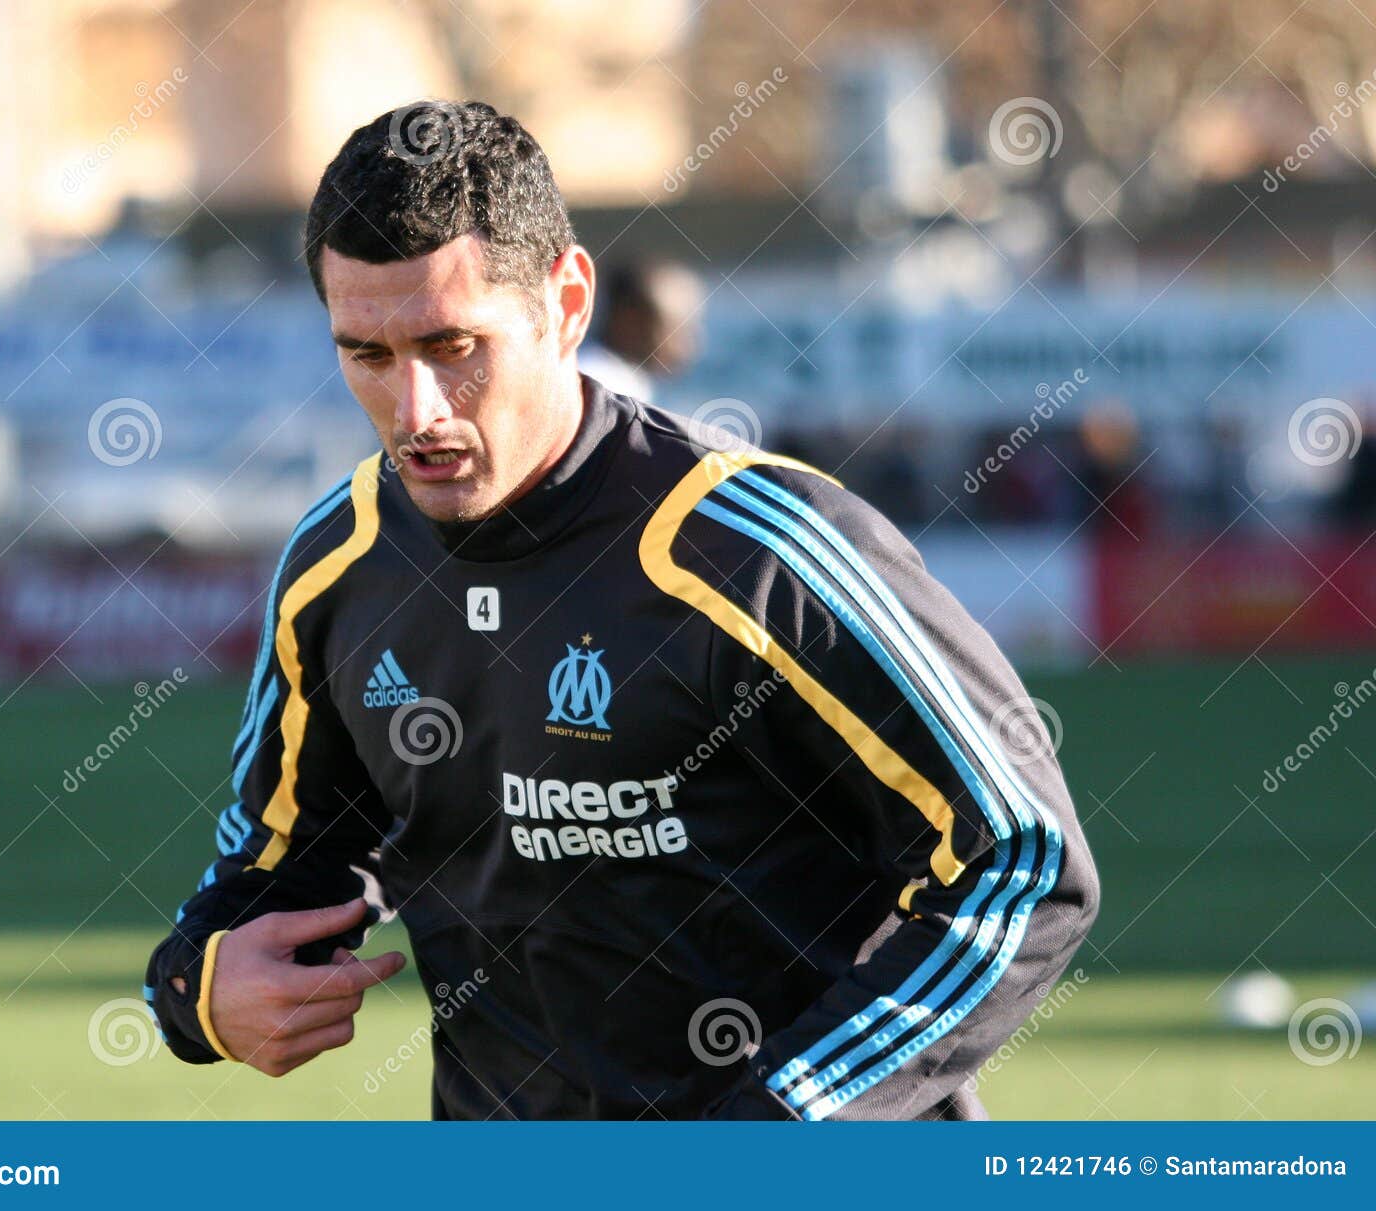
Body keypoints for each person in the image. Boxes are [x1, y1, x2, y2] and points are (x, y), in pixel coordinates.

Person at [144, 99, 1100, 1121]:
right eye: (368, 356)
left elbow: (1023, 860)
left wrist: (779, 1123)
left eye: (451, 344)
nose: (414, 410)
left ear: (565, 302)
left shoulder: (759, 549)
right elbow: (276, 863)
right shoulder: (339, 565)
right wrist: (197, 988)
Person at [577, 257, 704, 402]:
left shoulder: (626, 379)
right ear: (629, 320)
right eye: (675, 328)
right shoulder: (602, 383)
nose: (688, 345)